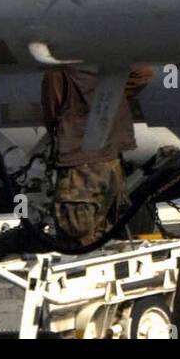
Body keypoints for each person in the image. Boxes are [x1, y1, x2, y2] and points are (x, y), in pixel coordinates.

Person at [41, 65, 154, 248]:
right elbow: (144, 73)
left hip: (80, 162)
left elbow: (52, 109)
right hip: (110, 160)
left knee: (76, 237)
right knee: (107, 233)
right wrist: (108, 99)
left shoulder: (60, 63)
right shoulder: (105, 54)